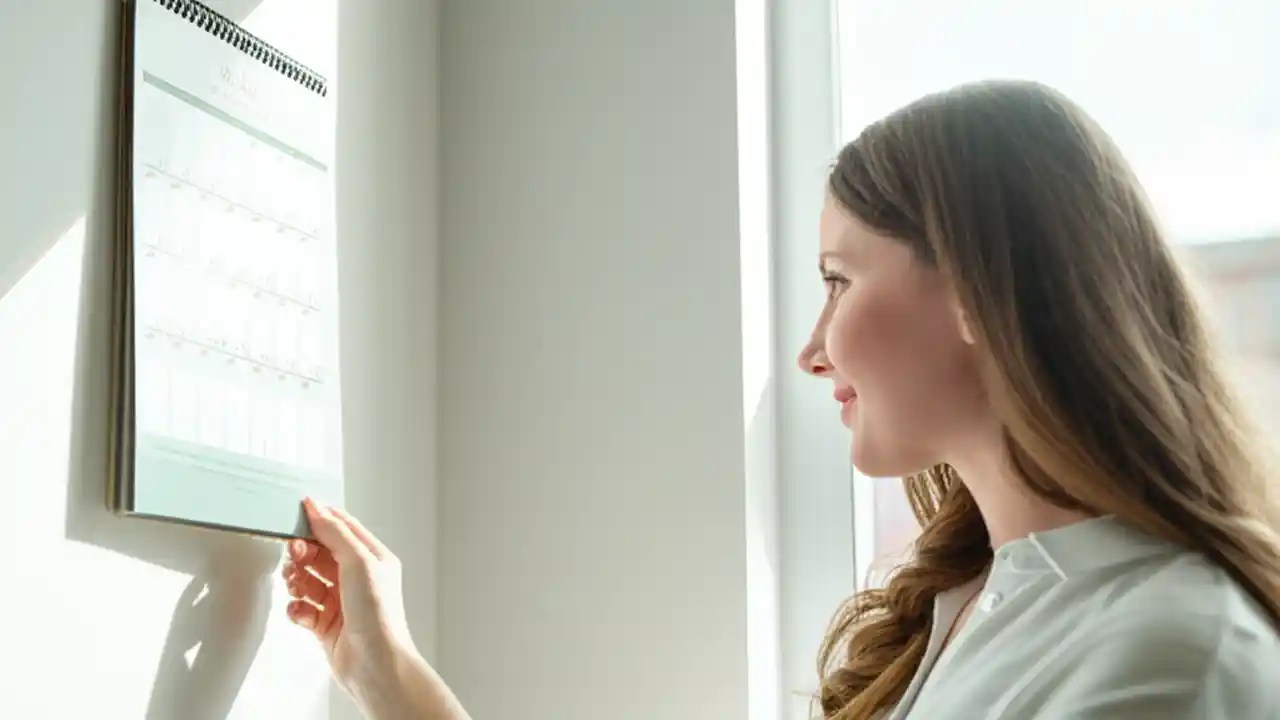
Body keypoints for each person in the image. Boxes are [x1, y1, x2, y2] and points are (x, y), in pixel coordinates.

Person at [282, 80, 1280, 719]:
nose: (811, 350)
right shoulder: (980, 607)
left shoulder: (1173, 656)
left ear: (978, 288)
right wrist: (391, 680)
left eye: (838, 281)